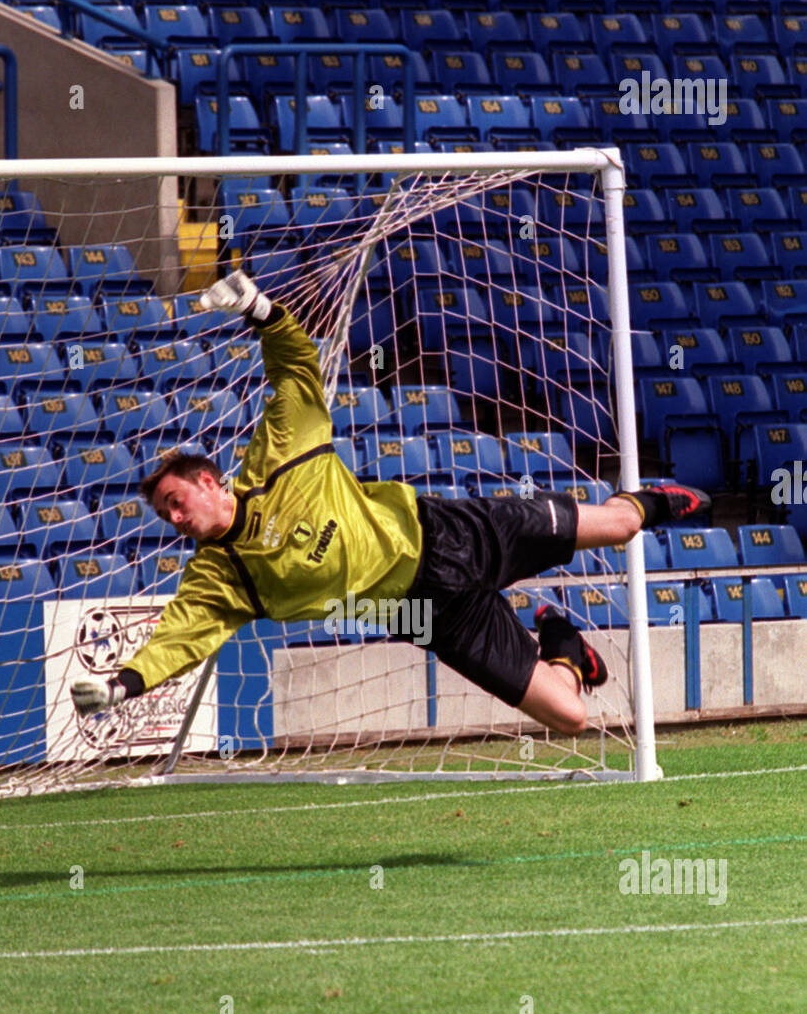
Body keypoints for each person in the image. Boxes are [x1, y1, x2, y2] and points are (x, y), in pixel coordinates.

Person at [71, 271, 709, 737]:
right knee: (570, 717)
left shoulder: (278, 457)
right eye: (166, 516)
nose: (176, 521)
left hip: (447, 534)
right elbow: (175, 642)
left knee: (622, 524)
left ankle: (658, 498)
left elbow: (296, 371)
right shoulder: (219, 578)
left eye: (177, 502)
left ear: (211, 481)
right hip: (424, 614)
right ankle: (566, 643)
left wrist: (262, 311)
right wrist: (118, 685)